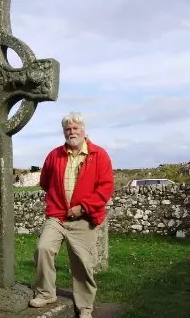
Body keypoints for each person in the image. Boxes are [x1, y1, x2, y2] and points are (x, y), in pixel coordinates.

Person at [29, 112, 114, 318]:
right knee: (43, 249)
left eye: (75, 128)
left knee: (82, 262)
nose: (71, 132)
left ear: (83, 130)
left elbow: (106, 187)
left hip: (84, 218)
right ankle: (46, 293)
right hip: (57, 215)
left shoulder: (99, 155)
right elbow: (45, 182)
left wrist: (83, 207)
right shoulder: (54, 155)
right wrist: (58, 201)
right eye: (67, 129)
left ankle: (85, 307)